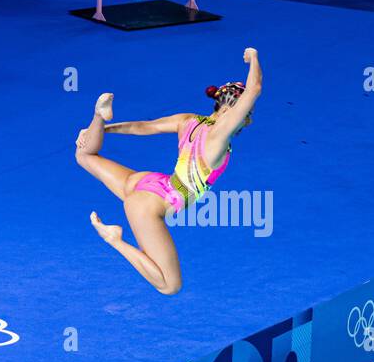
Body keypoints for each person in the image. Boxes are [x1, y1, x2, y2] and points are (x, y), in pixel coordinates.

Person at [76, 47, 263, 295]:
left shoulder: (188, 120)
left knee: (84, 154)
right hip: (152, 204)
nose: (247, 120)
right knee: (169, 285)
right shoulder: (219, 135)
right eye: (245, 114)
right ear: (229, 111)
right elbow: (255, 88)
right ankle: (113, 238)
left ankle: (98, 118)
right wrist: (253, 56)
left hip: (149, 182)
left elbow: (143, 127)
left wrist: (102, 129)